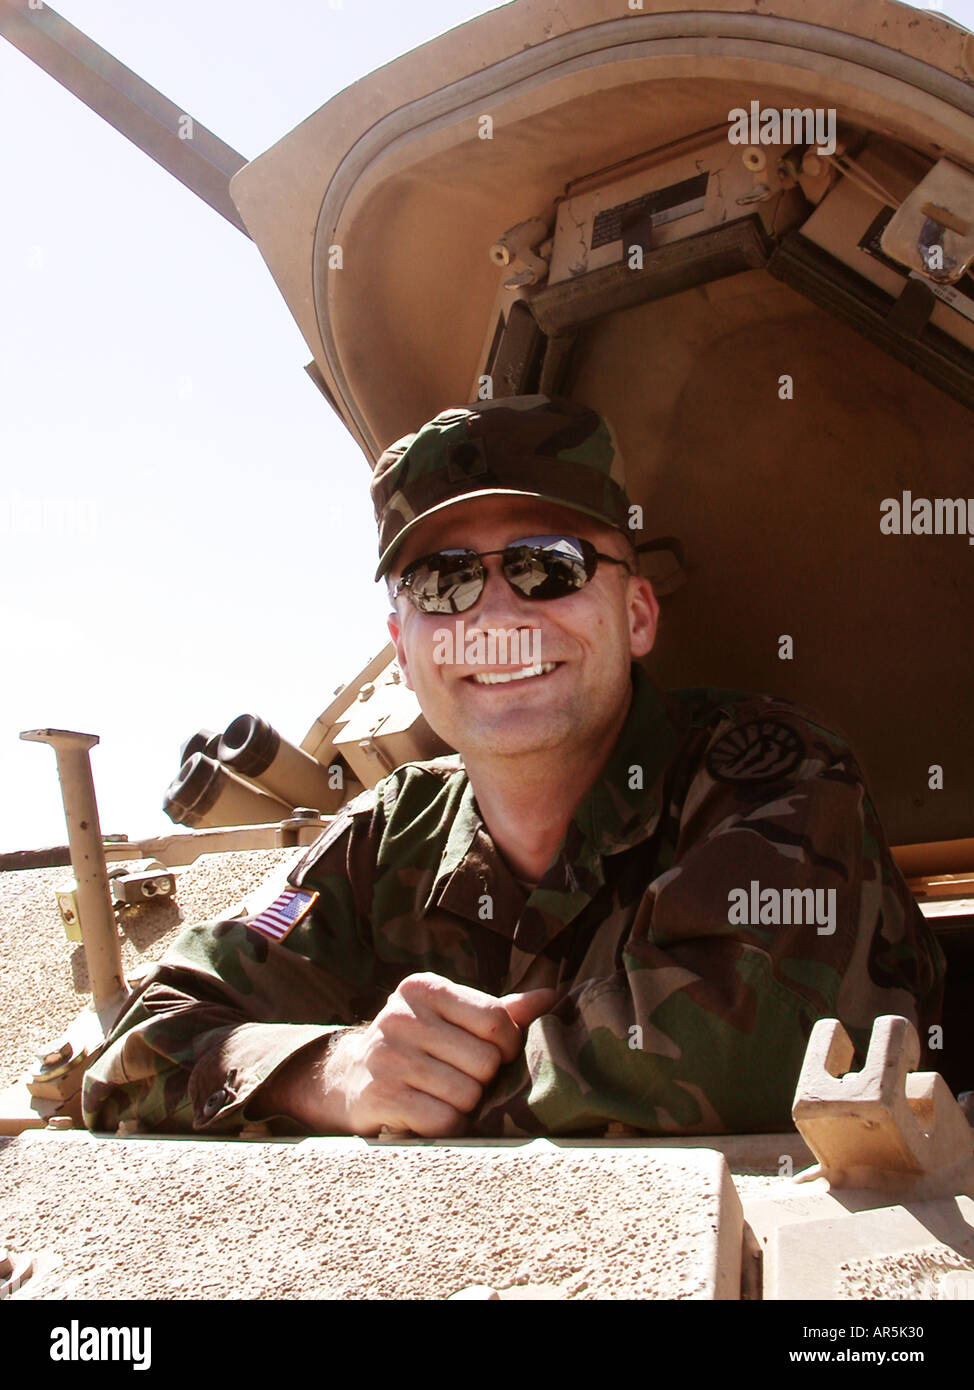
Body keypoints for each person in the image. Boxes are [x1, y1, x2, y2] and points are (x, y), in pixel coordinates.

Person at [82, 396, 944, 1139]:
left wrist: (426, 1093)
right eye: (442, 582)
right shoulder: (388, 832)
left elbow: (736, 1055)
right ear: (404, 650)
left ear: (637, 613)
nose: (495, 616)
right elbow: (135, 1050)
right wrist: (335, 1071)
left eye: (549, 565)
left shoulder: (769, 775)